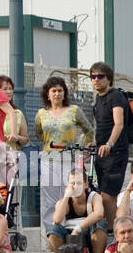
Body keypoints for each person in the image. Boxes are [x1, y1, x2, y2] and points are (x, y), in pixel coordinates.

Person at [34, 75, 94, 211]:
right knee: (50, 198)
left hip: (68, 159)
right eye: (53, 91)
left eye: (60, 91)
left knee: (69, 194)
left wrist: (88, 144)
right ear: (47, 94)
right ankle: (51, 228)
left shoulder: (74, 110)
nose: (57, 94)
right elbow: (39, 133)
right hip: (48, 159)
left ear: (64, 93)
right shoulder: (41, 114)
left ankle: (67, 225)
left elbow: (88, 129)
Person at [90, 61, 129, 218]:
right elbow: (102, 126)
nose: (96, 79)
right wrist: (97, 143)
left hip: (116, 153)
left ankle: (113, 232)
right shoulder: (98, 99)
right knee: (102, 194)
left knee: (108, 196)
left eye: (100, 76)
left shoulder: (116, 97)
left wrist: (109, 144)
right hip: (102, 153)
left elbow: (118, 124)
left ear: (109, 78)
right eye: (93, 76)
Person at [47, 167, 108, 253]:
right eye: (72, 183)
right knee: (53, 230)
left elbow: (99, 214)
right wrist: (66, 196)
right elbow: (57, 220)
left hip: (89, 231)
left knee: (100, 225)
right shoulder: (64, 201)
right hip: (68, 232)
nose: (75, 186)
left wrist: (78, 228)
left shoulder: (94, 197)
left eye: (79, 183)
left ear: (85, 184)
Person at [0, 75, 29, 151]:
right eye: (5, 89)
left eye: (10, 89)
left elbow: (26, 139)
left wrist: (16, 137)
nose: (9, 92)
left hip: (12, 156)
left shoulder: (18, 113)